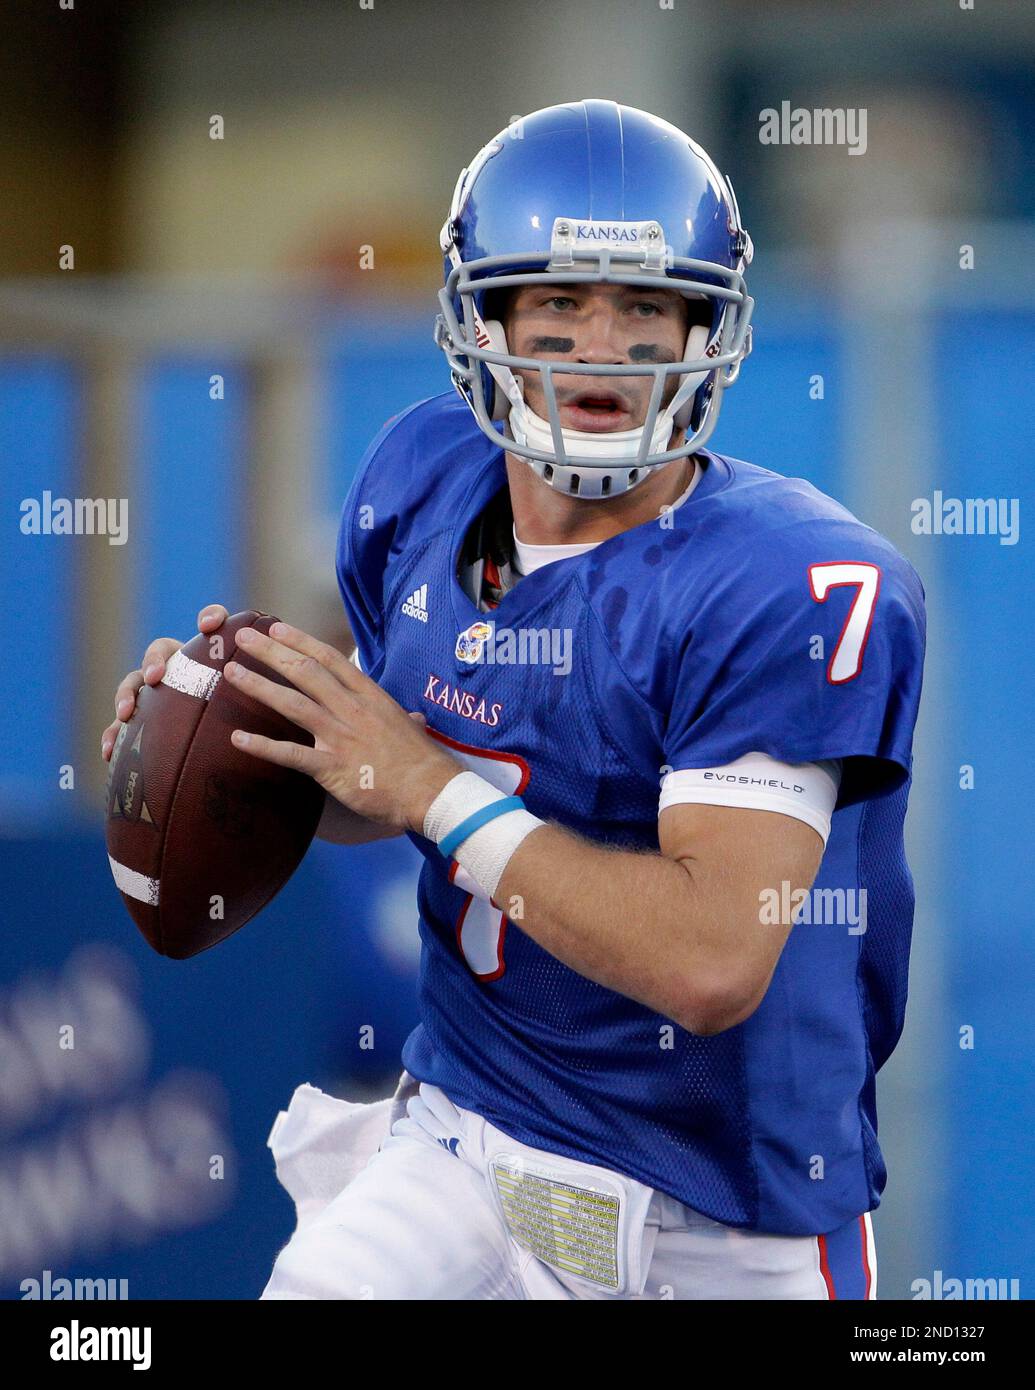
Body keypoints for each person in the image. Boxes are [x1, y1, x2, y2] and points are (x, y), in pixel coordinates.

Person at [102, 100, 925, 1300]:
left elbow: (710, 963)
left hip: (722, 1219)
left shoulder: (784, 581)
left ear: (709, 324)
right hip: (471, 1147)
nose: (605, 344)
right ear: (482, 318)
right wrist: (249, 741)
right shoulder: (420, 482)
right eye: (560, 302)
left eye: (647, 304)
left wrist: (423, 783)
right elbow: (398, 776)